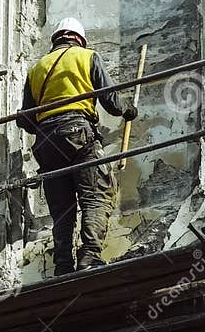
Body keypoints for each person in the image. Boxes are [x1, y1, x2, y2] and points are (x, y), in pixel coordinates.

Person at [17, 18, 138, 276]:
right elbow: (111, 101)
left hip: (45, 142)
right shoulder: (87, 56)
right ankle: (89, 256)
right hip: (78, 133)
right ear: (80, 39)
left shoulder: (37, 68)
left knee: (62, 209)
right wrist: (129, 109)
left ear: (56, 40)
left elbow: (27, 120)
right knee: (96, 195)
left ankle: (62, 265)